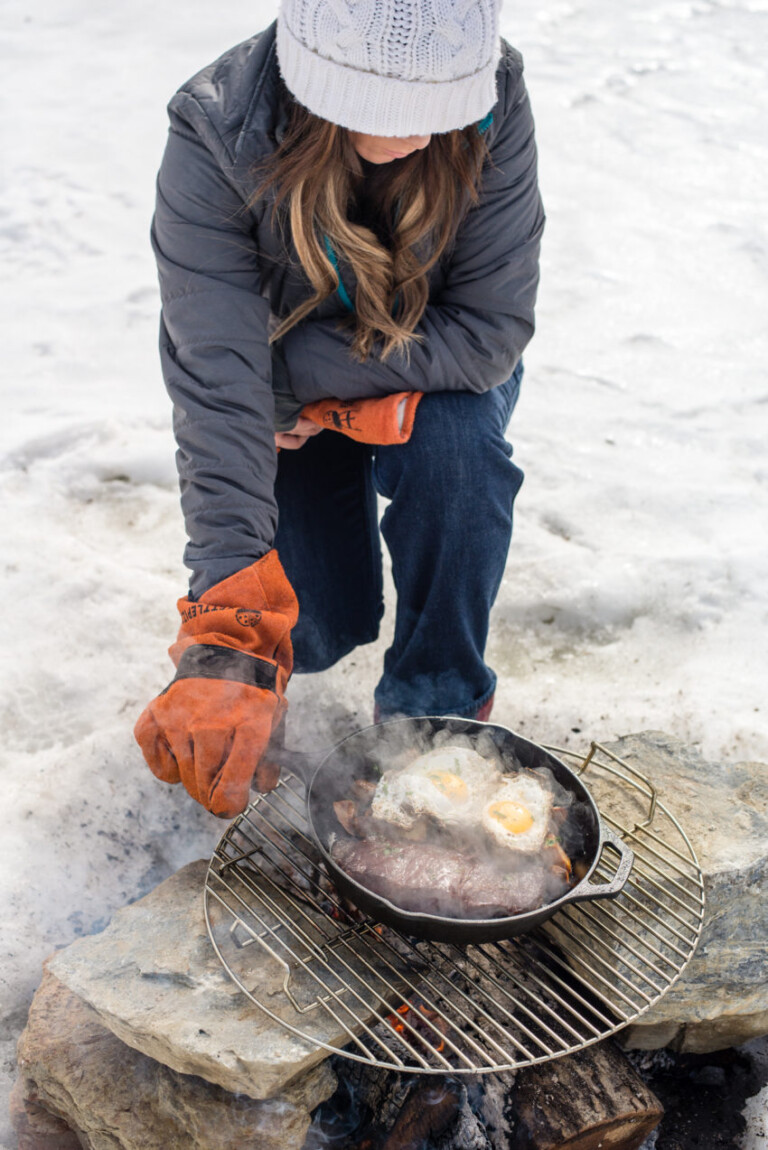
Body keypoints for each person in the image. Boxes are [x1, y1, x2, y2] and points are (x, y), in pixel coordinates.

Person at [134, 0, 545, 818]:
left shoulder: (495, 92)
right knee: (316, 629)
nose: (426, 138)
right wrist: (228, 630)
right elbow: (219, 379)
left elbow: (490, 333)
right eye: (398, 113)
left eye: (444, 112)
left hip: (430, 386)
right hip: (279, 405)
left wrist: (289, 374)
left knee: (462, 454)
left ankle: (437, 709)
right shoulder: (218, 131)